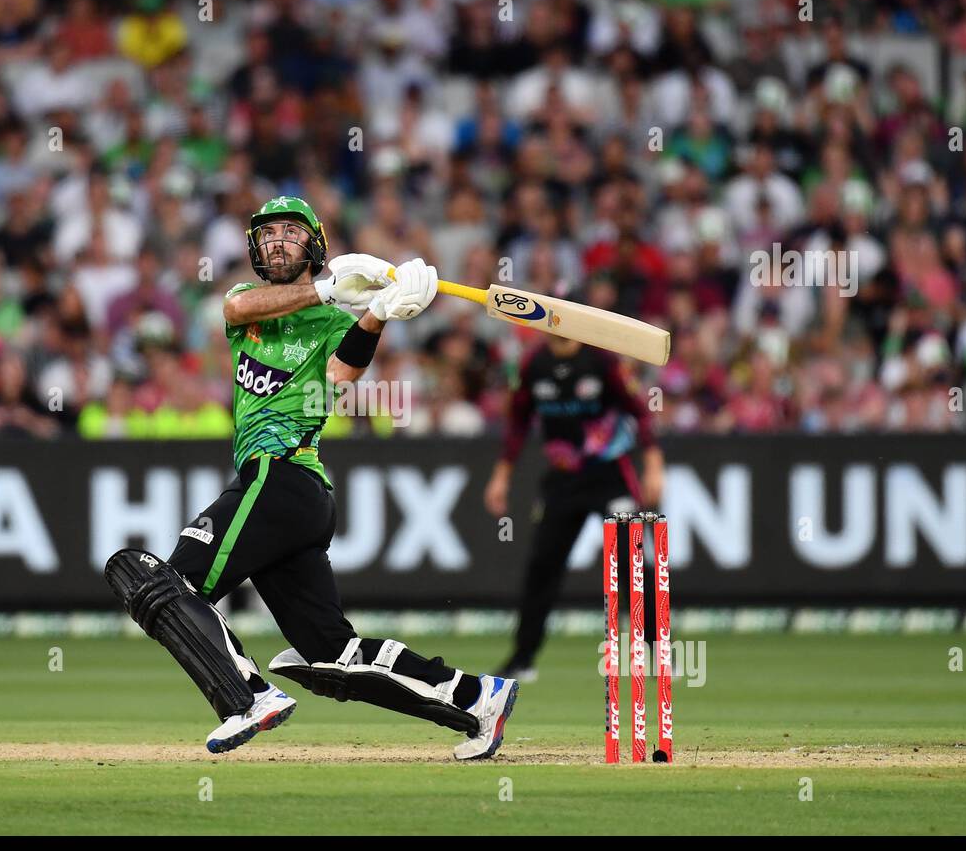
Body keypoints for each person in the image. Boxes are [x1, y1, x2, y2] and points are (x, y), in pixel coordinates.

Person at [103, 196, 519, 759]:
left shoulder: (331, 322)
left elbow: (341, 376)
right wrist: (328, 288)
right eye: (267, 233)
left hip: (283, 476)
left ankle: (246, 697)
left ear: (314, 246)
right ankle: (476, 698)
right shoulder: (245, 303)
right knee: (330, 654)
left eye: (289, 233)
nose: (276, 241)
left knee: (161, 582)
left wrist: (380, 312)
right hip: (292, 498)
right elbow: (235, 312)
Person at [485, 324, 665, 681]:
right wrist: (502, 475)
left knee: (632, 559)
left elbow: (639, 411)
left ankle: (656, 653)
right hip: (563, 479)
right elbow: (518, 423)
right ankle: (523, 658)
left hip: (609, 472)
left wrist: (654, 464)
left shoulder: (601, 360)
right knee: (542, 565)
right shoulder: (533, 364)